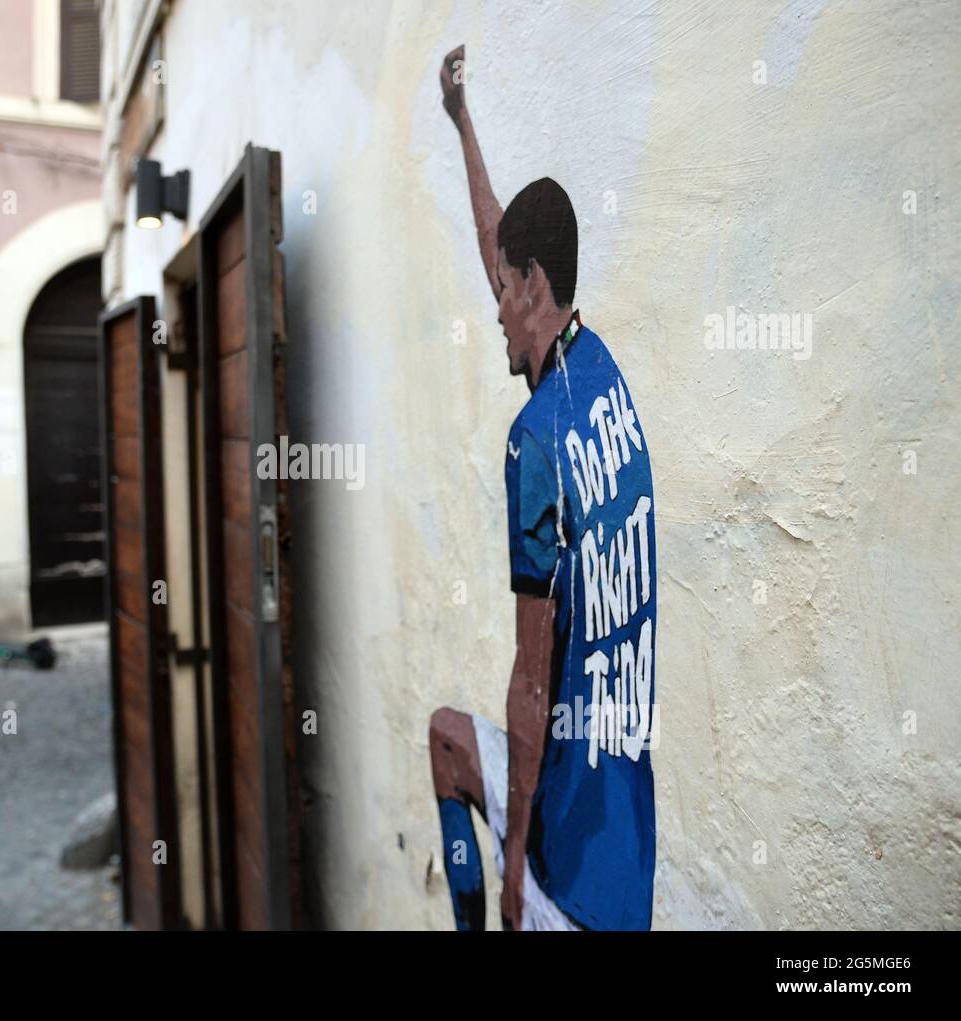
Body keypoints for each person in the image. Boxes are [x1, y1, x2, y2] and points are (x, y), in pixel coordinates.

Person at [429, 44, 658, 931]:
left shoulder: (535, 442)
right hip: (627, 845)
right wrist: (462, 122)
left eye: (502, 290)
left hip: (565, 853)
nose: (492, 307)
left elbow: (532, 679)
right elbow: (503, 238)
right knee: (454, 732)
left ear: (530, 286)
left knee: (449, 742)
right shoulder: (602, 377)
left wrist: (518, 860)